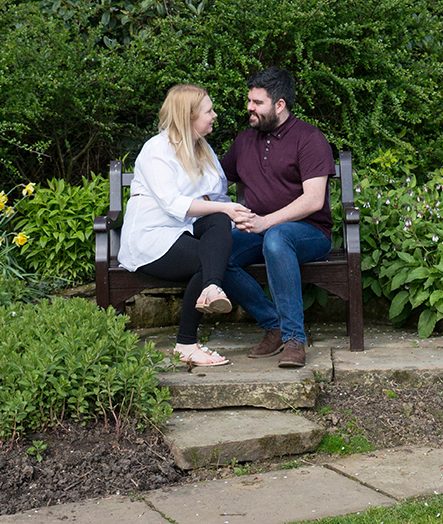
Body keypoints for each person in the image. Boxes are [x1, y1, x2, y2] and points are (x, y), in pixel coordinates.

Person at [119, 84, 257, 367]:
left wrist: (234, 216)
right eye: (209, 111)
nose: (215, 115)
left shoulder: (202, 149)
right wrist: (224, 208)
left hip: (185, 232)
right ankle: (186, 344)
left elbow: (216, 198)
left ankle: (211, 289)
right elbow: (174, 204)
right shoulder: (156, 151)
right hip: (152, 239)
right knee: (207, 260)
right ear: (188, 116)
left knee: (219, 221)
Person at [218, 67, 335, 369]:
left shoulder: (309, 139)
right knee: (217, 252)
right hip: (261, 232)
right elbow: (213, 183)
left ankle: (295, 338)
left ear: (279, 105)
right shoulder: (244, 141)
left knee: (277, 237)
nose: (249, 108)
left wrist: (265, 222)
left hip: (309, 233)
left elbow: (313, 200)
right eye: (249, 100)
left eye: (257, 102)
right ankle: (274, 326)